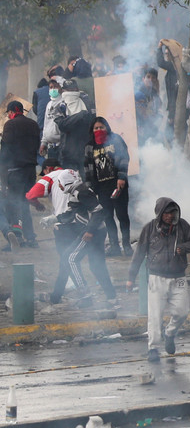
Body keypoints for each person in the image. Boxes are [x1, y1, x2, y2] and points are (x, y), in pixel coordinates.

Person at [127, 197, 190, 362]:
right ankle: (153, 348)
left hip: (178, 276)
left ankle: (170, 332)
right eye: (167, 213)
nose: (170, 216)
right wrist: (131, 277)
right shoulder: (149, 228)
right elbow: (138, 254)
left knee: (182, 312)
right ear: (160, 213)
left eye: (173, 212)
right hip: (156, 277)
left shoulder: (183, 226)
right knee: (155, 315)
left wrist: (183, 248)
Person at [47, 173, 115, 308]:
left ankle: (86, 295)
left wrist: (90, 231)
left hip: (92, 232)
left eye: (60, 183)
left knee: (69, 258)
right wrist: (55, 218)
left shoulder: (80, 192)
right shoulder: (76, 191)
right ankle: (112, 298)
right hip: (96, 231)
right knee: (96, 266)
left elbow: (99, 211)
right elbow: (73, 213)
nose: (59, 186)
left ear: (66, 182)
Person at [83, 116, 131, 257]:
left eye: (101, 127)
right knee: (108, 217)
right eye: (96, 128)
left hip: (118, 185)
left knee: (122, 215)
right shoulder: (90, 146)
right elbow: (87, 167)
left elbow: (124, 158)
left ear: (107, 127)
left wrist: (122, 176)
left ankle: (127, 245)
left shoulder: (115, 139)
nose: (99, 130)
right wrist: (90, 187)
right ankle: (114, 246)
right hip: (102, 187)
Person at [1, 101, 39, 249]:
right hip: (30, 171)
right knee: (25, 204)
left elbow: (5, 149)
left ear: (11, 112)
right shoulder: (33, 124)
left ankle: (17, 238)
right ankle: (31, 239)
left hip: (15, 171)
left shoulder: (10, 125)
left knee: (13, 205)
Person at [46, 80, 93, 174]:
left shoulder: (86, 102)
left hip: (85, 149)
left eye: (72, 90)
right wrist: (80, 115)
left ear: (77, 89)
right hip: (68, 151)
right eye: (68, 90)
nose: (70, 93)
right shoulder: (59, 106)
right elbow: (63, 125)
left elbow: (91, 121)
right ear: (63, 91)